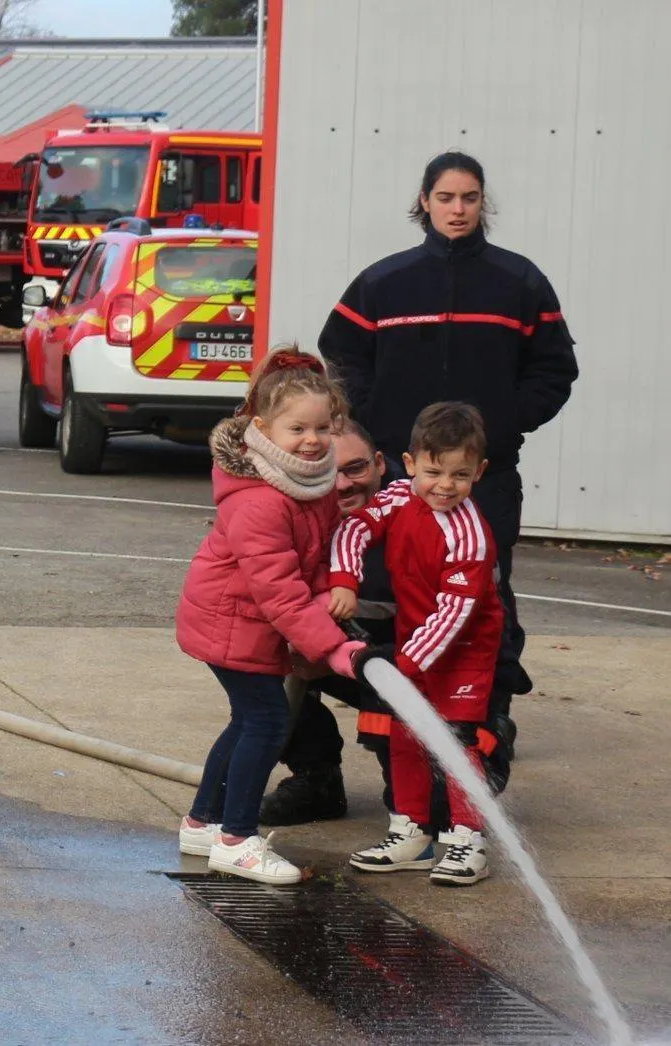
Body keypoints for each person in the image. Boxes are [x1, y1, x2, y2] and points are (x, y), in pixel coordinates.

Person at [318, 151, 578, 736]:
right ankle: (396, 721)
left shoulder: (519, 281)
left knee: (485, 597)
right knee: (393, 592)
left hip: (483, 479)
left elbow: (554, 369)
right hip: (402, 476)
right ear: (424, 201)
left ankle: (488, 723)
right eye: (445, 198)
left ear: (483, 202)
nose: (457, 210)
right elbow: (341, 355)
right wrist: (376, 422)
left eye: (469, 198)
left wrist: (508, 423)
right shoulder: (385, 282)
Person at [175, 347, 367, 885]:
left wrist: (338, 586)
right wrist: (331, 647)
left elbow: (322, 551)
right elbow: (278, 589)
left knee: (248, 719)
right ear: (261, 428)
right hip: (232, 619)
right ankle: (236, 839)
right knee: (266, 721)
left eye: (322, 427)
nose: (312, 439)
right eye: (296, 428)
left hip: (252, 618)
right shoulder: (259, 498)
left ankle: (201, 823)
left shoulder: (311, 476)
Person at [330, 402, 503, 887]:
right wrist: (345, 579)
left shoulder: (469, 536)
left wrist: (405, 664)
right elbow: (355, 526)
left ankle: (467, 840)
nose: (445, 485)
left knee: (459, 743)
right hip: (415, 643)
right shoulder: (398, 497)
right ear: (409, 465)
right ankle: (411, 832)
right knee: (404, 734)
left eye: (460, 475)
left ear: (479, 473)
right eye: (433, 471)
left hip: (464, 654)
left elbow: (455, 614)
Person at [258, 419, 395, 826]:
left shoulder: (425, 526)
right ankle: (316, 779)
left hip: (421, 669)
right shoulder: (293, 523)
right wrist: (311, 647)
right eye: (328, 471)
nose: (342, 485)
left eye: (355, 468)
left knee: (437, 809)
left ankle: (426, 786)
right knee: (257, 660)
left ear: (382, 464)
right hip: (338, 659)